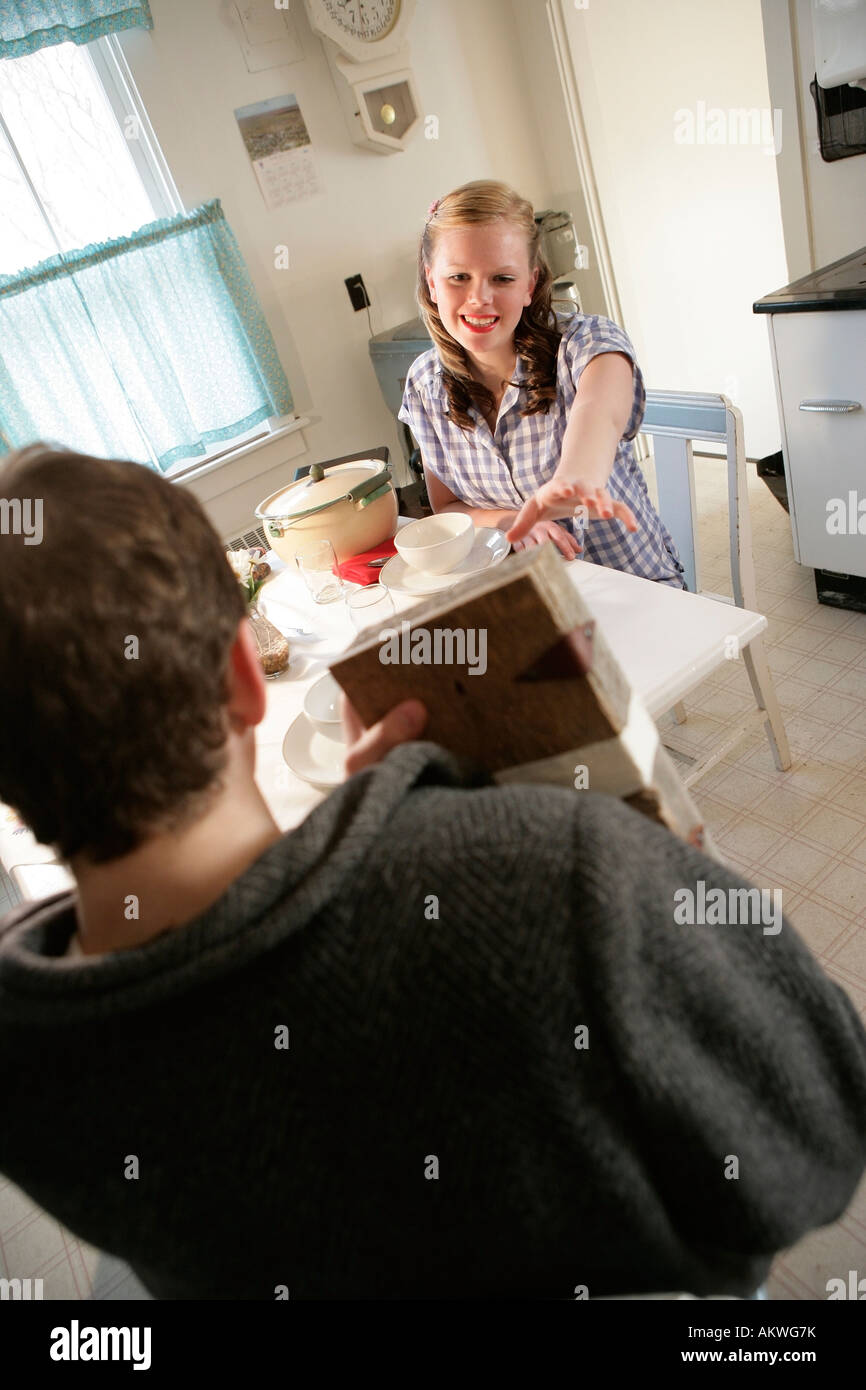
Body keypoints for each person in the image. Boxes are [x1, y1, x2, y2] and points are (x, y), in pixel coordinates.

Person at [0, 443, 864, 1302]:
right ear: (241, 674)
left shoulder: (30, 1058)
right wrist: (646, 859)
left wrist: (376, 824)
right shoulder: (551, 867)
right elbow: (818, 1135)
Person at [399, 179, 687, 586]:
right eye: (458, 277)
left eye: (502, 278)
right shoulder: (423, 385)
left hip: (636, 591)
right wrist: (510, 520)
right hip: (529, 598)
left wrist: (572, 482)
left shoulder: (587, 345)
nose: (479, 297)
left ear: (529, 285)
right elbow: (446, 507)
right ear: (432, 282)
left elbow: (599, 415)